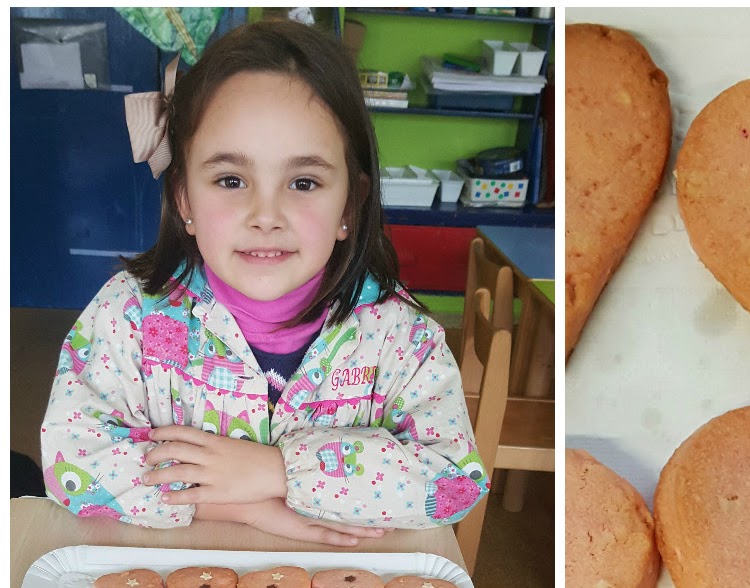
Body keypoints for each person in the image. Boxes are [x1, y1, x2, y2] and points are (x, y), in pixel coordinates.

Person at [40, 19, 487, 546]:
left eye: (303, 182)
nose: (265, 214)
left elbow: (453, 481)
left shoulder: (401, 337)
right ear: (184, 199)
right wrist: (243, 505)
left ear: (350, 204)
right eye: (231, 180)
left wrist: (279, 471)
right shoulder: (129, 316)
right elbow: (70, 461)